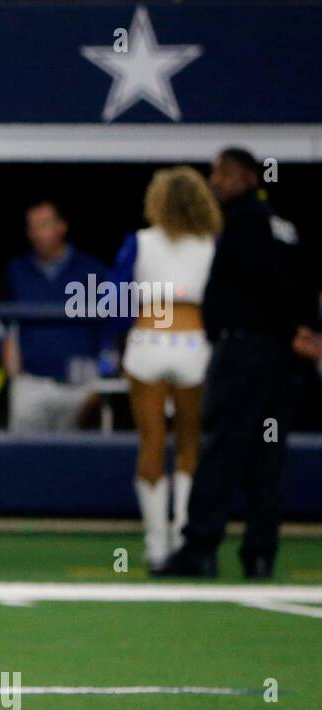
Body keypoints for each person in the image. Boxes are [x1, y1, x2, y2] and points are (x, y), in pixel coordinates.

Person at [158, 147, 317, 578]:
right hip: (283, 359)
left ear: (250, 177)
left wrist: (288, 330)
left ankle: (199, 550)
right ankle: (260, 554)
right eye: (214, 174)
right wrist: (305, 330)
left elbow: (265, 285)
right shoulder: (284, 225)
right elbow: (302, 282)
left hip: (247, 352)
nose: (216, 182)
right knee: (267, 454)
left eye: (225, 174)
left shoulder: (245, 221)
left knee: (222, 450)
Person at [111, 167, 220, 571]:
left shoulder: (140, 242)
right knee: (191, 444)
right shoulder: (211, 245)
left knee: (152, 443)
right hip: (195, 344)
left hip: (150, 342)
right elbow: (220, 299)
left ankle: (156, 546)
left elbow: (115, 296)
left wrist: (117, 341)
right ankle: (184, 538)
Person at [3, 201, 108, 432]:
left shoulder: (92, 270)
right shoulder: (17, 270)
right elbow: (8, 327)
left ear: (61, 227)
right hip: (31, 384)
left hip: (79, 387)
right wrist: (14, 378)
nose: (36, 234)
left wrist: (101, 385)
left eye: (43, 225)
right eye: (32, 228)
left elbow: (109, 330)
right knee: (23, 461)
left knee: (79, 463)